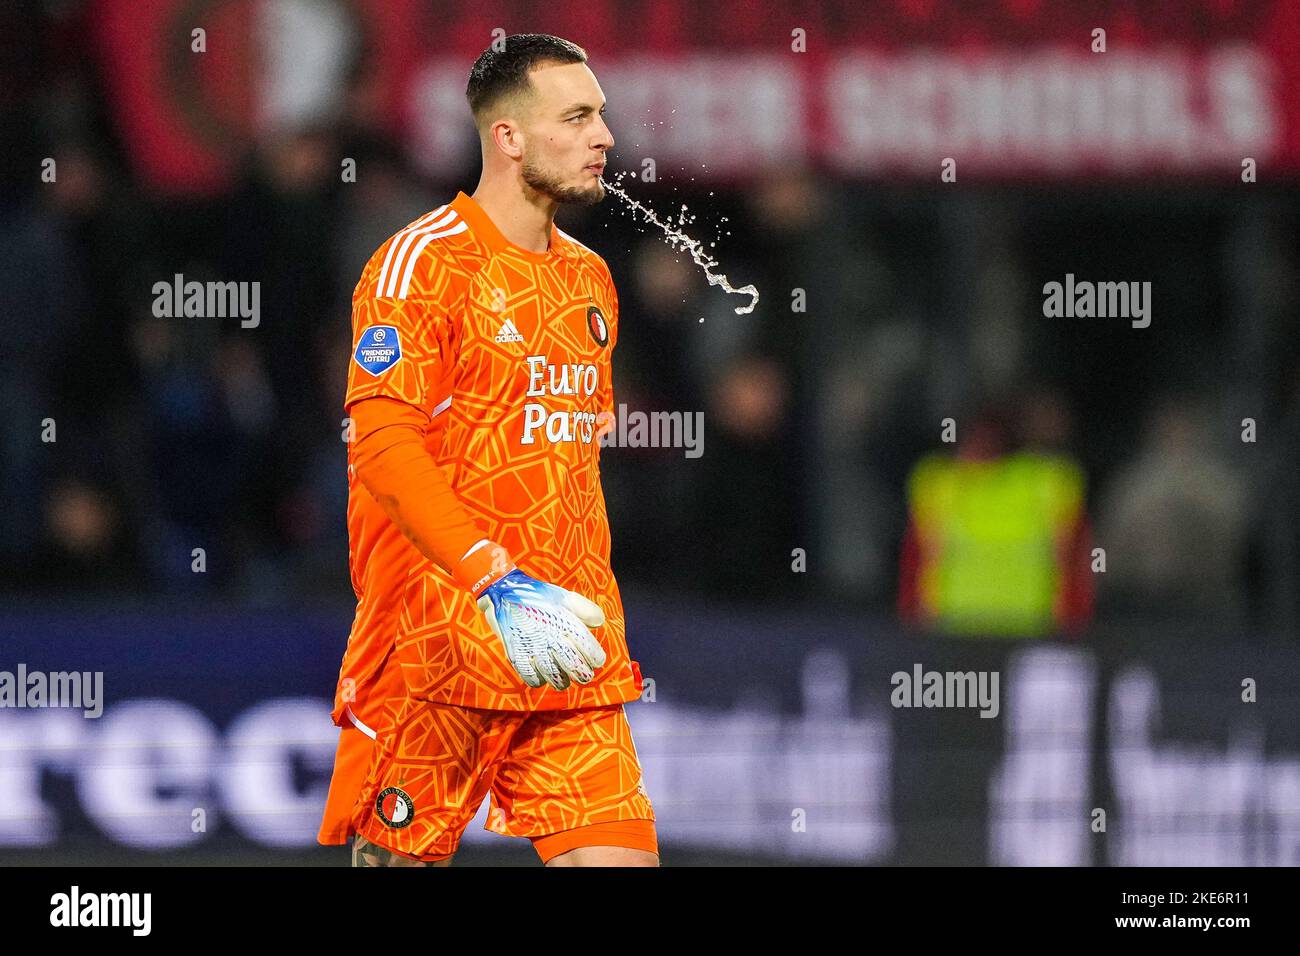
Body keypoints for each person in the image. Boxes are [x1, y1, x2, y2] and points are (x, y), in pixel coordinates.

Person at [316, 34, 657, 866]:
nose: (603, 135)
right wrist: (493, 578)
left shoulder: (590, 281)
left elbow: (568, 464)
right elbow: (385, 449)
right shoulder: (420, 266)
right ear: (507, 138)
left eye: (601, 115)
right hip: (440, 645)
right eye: (576, 117)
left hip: (566, 649)